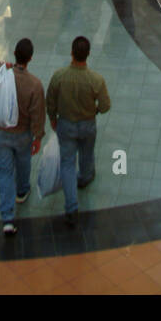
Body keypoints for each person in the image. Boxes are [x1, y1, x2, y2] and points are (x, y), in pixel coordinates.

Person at [0, 39, 45, 236]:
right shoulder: (34, 84)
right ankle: (22, 191)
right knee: (23, 162)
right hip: (22, 134)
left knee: (4, 171)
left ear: (14, 53)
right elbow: (38, 114)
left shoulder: (1, 75)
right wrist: (38, 137)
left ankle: (7, 217)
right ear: (30, 58)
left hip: (1, 132)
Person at [46, 36, 111, 227]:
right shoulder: (96, 80)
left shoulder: (59, 76)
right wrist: (95, 110)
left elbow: (50, 100)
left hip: (65, 124)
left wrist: (52, 118)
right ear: (88, 55)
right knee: (87, 152)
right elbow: (106, 105)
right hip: (88, 125)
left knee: (67, 163)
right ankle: (85, 177)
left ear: (72, 53)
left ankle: (71, 207)